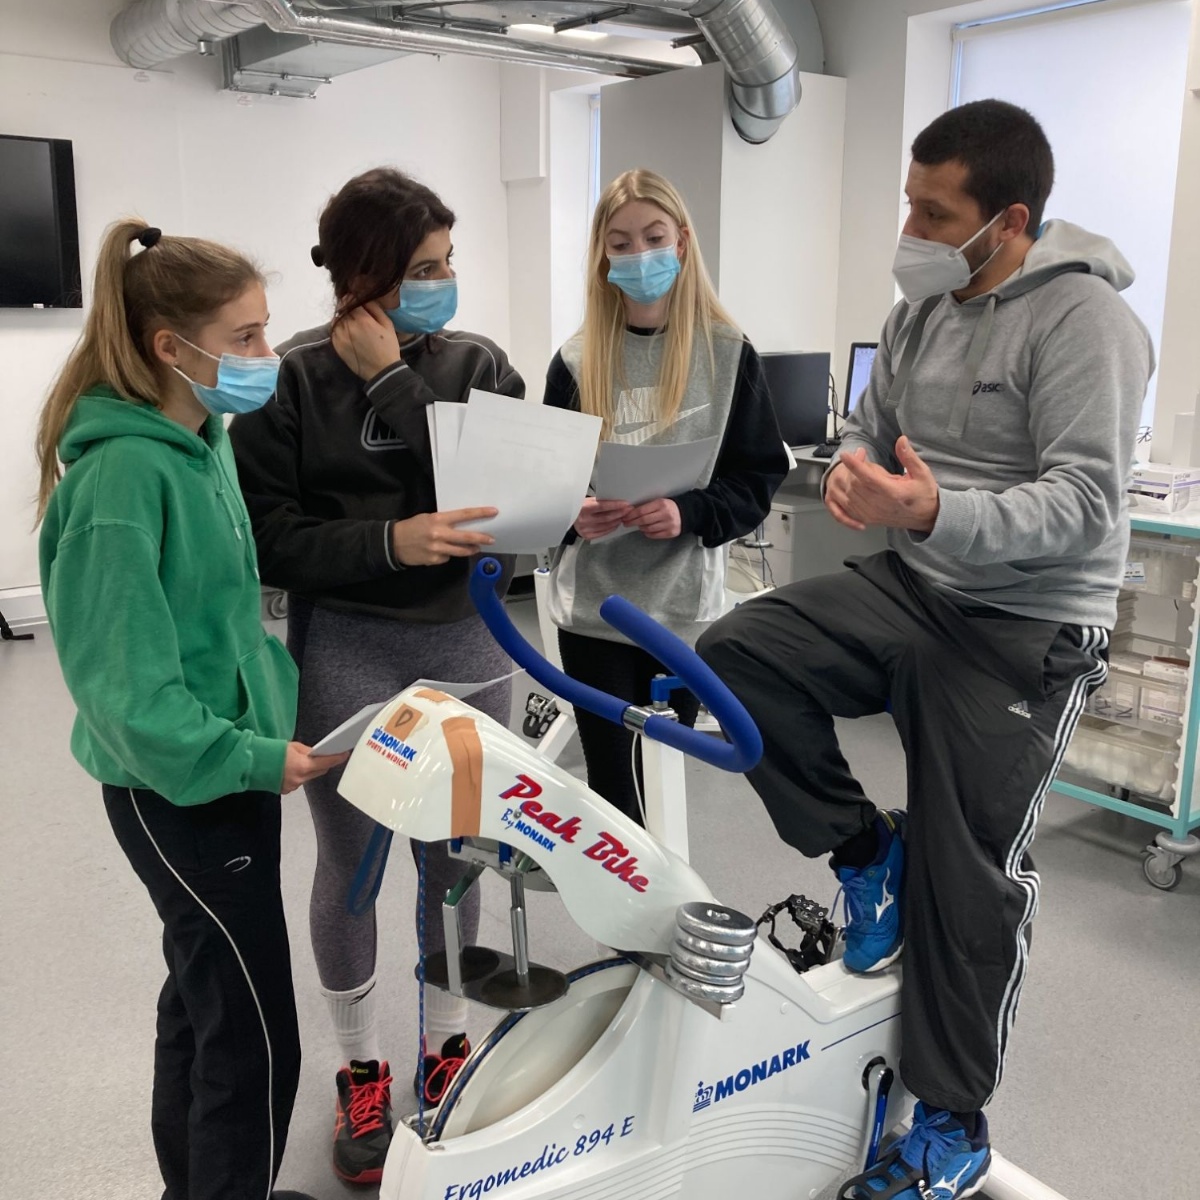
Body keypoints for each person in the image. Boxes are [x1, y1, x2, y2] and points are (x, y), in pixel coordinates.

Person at [698, 100, 1154, 1199]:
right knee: (732, 654)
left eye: (932, 209)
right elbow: (875, 424)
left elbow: (1088, 506)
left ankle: (953, 1123)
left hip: (1022, 629)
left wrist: (935, 508)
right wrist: (861, 474)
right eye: (909, 198)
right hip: (913, 584)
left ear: (1008, 220)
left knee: (972, 876)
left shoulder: (1084, 323)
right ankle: (866, 855)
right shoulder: (925, 310)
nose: (910, 224)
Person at [35, 218, 346, 1200]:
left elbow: (223, 621)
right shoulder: (124, 478)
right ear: (171, 348)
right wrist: (254, 759)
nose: (267, 356)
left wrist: (269, 731)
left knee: (202, 1004)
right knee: (255, 1037)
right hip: (180, 790)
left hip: (228, 765)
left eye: (266, 329)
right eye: (246, 337)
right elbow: (128, 695)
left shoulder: (198, 439)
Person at [229, 168, 523, 1185]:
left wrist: (398, 380)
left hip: (474, 649)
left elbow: (506, 508)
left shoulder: (481, 362)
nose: (444, 284)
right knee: (352, 869)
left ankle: (447, 1047)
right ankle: (361, 1068)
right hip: (349, 647)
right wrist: (390, 544)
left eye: (448, 264)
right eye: (420, 270)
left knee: (461, 860)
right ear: (361, 276)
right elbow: (271, 539)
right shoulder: (290, 378)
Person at [543, 168, 789, 822]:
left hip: (680, 614)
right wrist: (575, 515)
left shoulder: (730, 354)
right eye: (620, 242)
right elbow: (546, 490)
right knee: (615, 792)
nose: (639, 254)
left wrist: (688, 512)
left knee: (658, 785)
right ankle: (619, 925)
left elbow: (757, 480)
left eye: (653, 237)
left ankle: (655, 915)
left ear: (681, 241)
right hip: (596, 611)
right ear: (602, 254)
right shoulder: (574, 359)